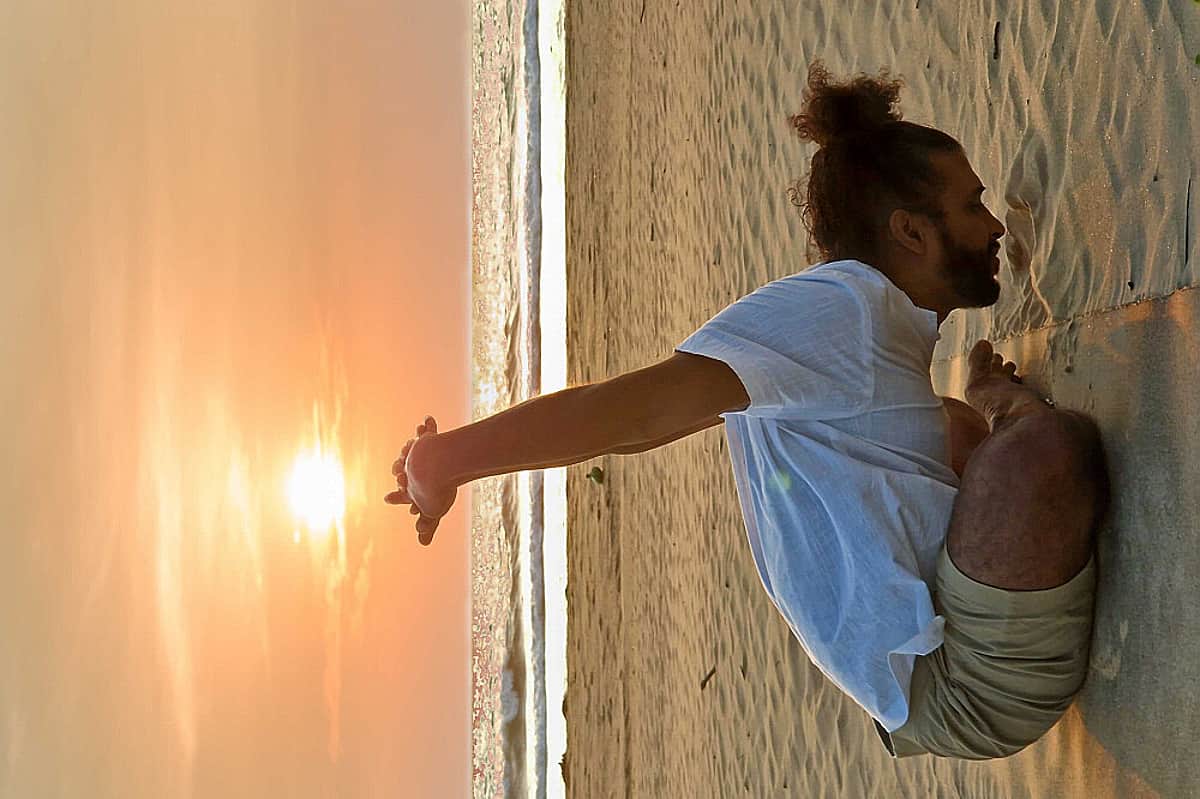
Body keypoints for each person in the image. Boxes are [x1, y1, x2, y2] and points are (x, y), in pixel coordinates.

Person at [384, 61, 1111, 761]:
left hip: (928, 669)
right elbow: (630, 417)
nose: (993, 226)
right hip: (967, 684)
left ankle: (997, 414)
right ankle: (1012, 411)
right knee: (1046, 450)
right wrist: (443, 460)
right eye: (971, 204)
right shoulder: (840, 310)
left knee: (948, 424)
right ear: (910, 232)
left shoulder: (853, 324)